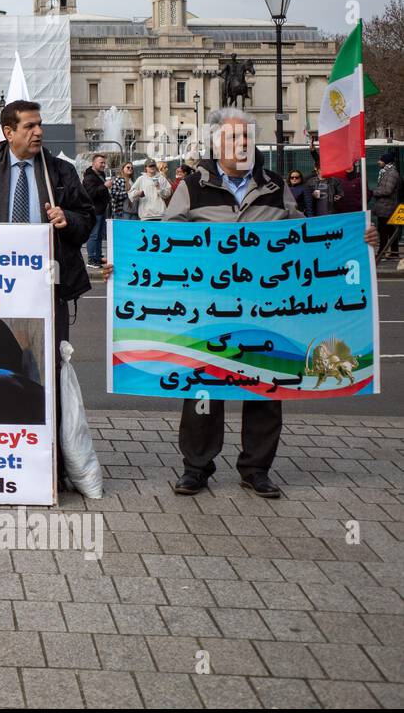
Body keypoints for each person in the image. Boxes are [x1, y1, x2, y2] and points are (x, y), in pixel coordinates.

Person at [148, 108, 380, 499]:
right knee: (204, 391)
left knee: (266, 390)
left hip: (267, 311)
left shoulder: (274, 185)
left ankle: (256, 469)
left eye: (246, 139)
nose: (242, 145)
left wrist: (357, 240)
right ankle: (197, 468)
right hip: (211, 309)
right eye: (234, 139)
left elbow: (305, 235)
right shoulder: (192, 186)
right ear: (216, 144)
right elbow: (169, 243)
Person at [0, 99, 94, 348]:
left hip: (48, 287)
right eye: (30, 126)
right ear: (9, 132)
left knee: (49, 362)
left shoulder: (61, 172)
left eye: (40, 125)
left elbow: (86, 221)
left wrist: (68, 219)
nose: (39, 132)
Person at [81, 154, 111, 267]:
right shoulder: (89, 177)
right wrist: (104, 186)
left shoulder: (101, 174)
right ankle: (91, 259)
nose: (103, 165)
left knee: (98, 235)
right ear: (93, 163)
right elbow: (90, 194)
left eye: (104, 162)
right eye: (101, 162)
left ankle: (97, 257)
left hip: (101, 210)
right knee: (93, 235)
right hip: (94, 210)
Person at [371, 148, 401, 259]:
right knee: (388, 230)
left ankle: (382, 253)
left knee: (384, 231)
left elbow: (387, 190)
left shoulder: (392, 174)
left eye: (380, 160)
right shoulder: (386, 172)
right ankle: (393, 252)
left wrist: (373, 192)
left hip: (387, 207)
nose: (378, 161)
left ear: (386, 161)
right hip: (384, 207)